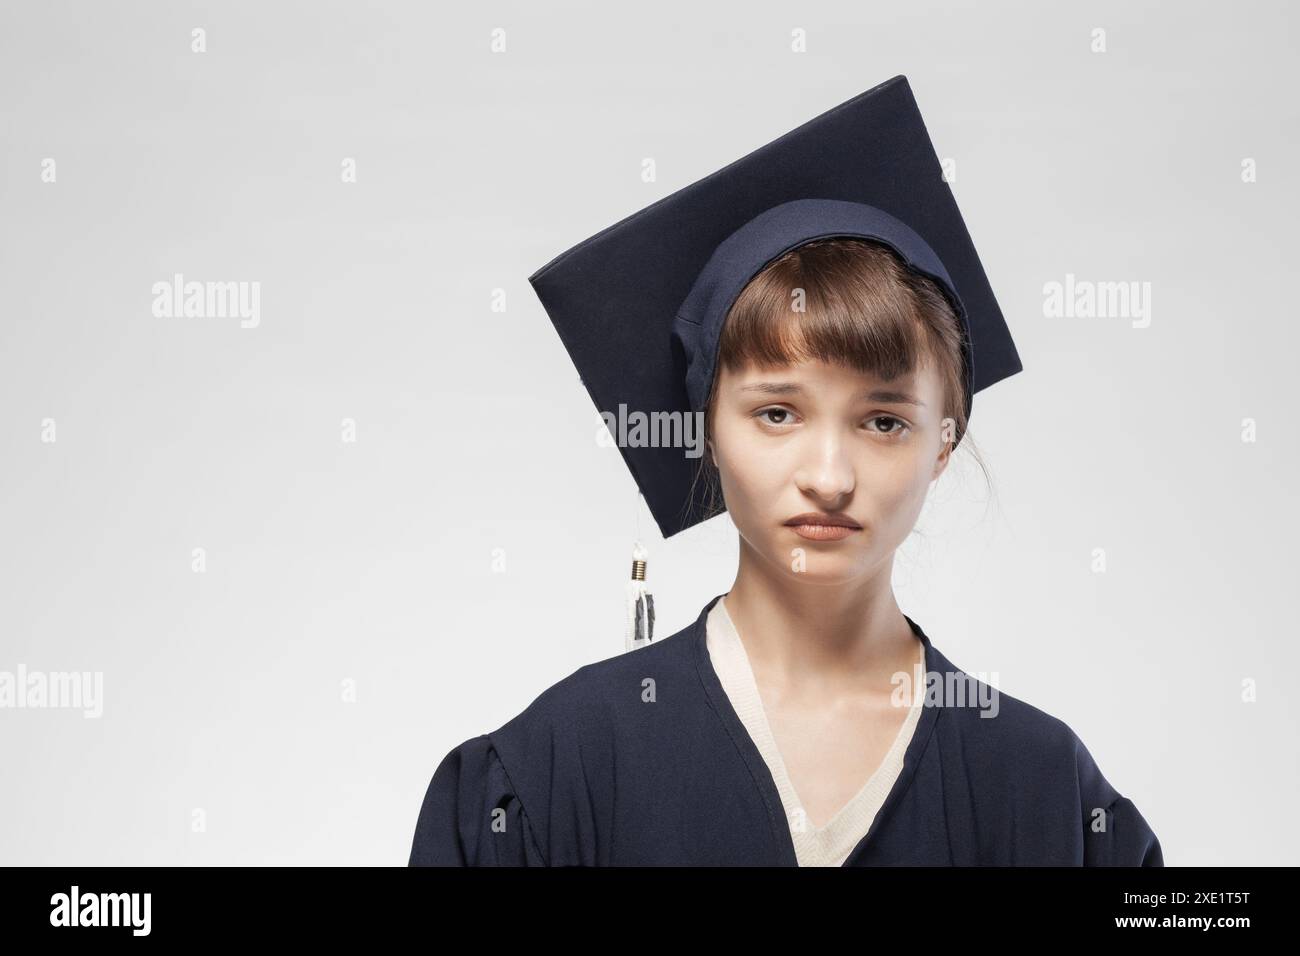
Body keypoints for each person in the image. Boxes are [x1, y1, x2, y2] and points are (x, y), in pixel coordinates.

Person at [408, 75, 1163, 866]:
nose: (829, 477)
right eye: (777, 413)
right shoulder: (557, 772)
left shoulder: (1044, 792)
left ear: (944, 441)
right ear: (706, 428)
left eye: (883, 421)